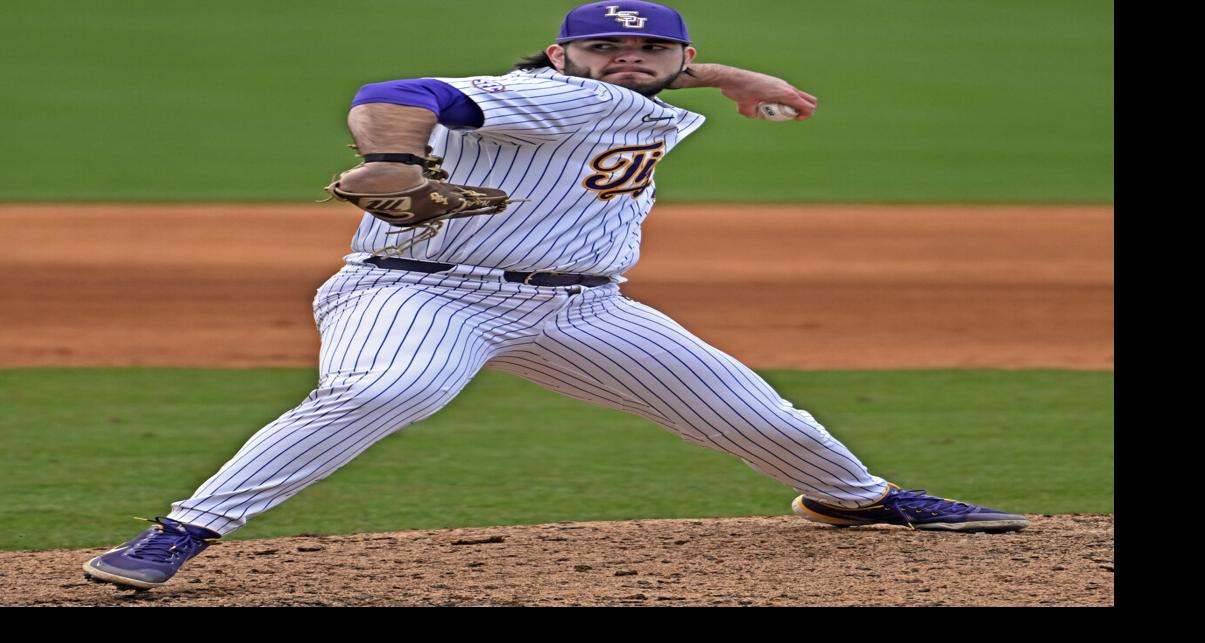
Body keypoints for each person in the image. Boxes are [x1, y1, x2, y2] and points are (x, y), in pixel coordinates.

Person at [83, 1, 1028, 591]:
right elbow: (392, 88)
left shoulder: (623, 87)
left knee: (750, 408)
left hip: (580, 309)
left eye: (654, 49)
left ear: (680, 54)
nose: (633, 60)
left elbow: (646, 74)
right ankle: (180, 532)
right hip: (424, 295)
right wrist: (392, 159)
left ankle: (854, 501)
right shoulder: (551, 96)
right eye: (607, 49)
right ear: (558, 55)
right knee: (384, 392)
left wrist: (736, 78)